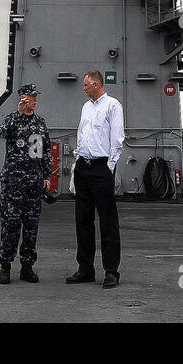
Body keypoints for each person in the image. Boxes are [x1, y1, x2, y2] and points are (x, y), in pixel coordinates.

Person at [67, 70, 124, 289]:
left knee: (108, 221)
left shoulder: (112, 105)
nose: (83, 88)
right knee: (83, 220)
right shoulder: (86, 107)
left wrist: (109, 168)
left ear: (96, 84)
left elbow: (117, 139)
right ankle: (85, 269)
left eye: (86, 84)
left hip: (101, 167)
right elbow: (82, 135)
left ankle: (111, 271)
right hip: (84, 166)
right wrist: (76, 164)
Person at [0, 83, 52, 285]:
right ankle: (5, 265)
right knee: (10, 224)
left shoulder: (40, 123)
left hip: (34, 183)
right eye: (31, 97)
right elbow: (3, 132)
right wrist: (19, 114)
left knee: (31, 226)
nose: (34, 100)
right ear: (22, 98)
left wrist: (47, 176)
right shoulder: (12, 120)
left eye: (36, 97)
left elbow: (45, 151)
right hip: (13, 182)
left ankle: (27, 266)